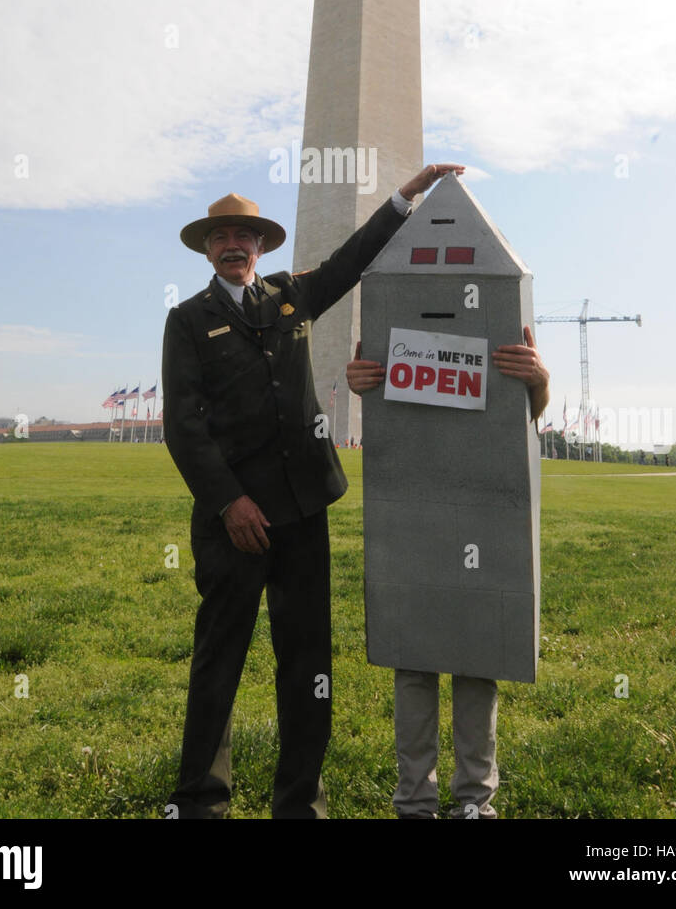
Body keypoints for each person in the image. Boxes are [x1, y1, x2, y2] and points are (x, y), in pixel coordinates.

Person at [161, 163, 464, 819]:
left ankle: (300, 803)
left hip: (301, 512)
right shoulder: (186, 321)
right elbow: (182, 427)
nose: (233, 244)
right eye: (221, 237)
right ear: (207, 250)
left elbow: (351, 259)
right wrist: (228, 500)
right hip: (231, 519)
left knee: (307, 667)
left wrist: (406, 195)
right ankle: (198, 802)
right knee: (219, 661)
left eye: (244, 235)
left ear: (262, 246)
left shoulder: (291, 296)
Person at [346, 327, 549, 820]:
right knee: (414, 660)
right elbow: (383, 401)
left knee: (476, 660)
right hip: (412, 504)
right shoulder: (397, 320)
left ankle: (475, 803)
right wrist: (360, 383)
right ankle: (415, 803)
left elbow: (520, 408)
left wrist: (540, 381)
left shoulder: (498, 313)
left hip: (483, 505)